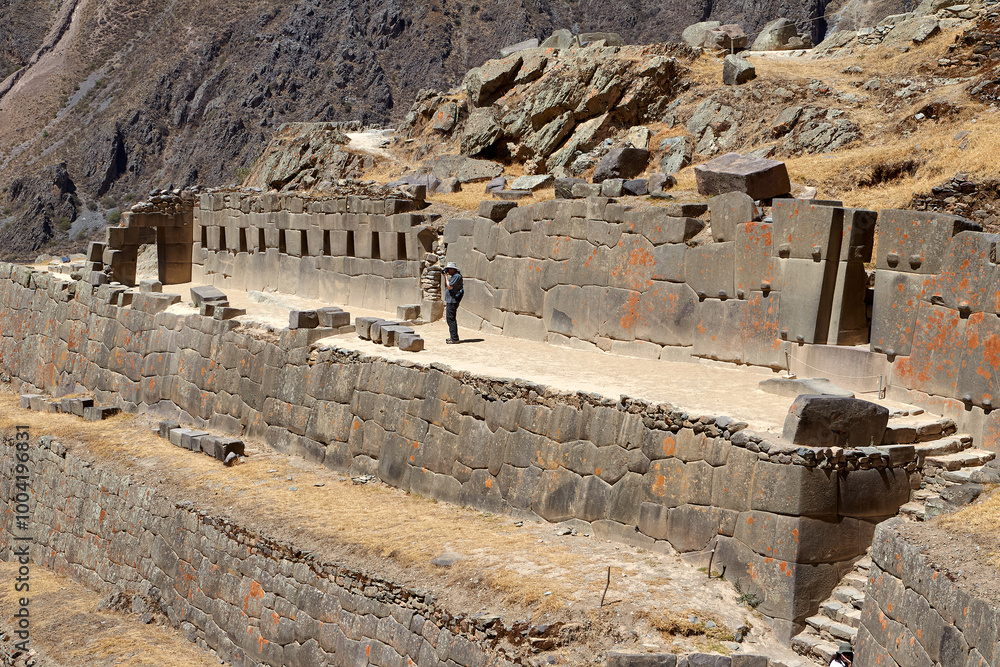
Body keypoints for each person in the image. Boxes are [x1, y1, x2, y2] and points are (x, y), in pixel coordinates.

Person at [443, 261, 464, 344]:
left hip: (453, 301)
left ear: (453, 269)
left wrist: (445, 276)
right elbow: (447, 285)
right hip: (450, 300)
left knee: (451, 319)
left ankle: (454, 338)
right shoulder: (453, 276)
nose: (448, 271)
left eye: (449, 269)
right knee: (449, 319)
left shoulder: (457, 276)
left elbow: (450, 286)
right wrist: (446, 277)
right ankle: (453, 337)